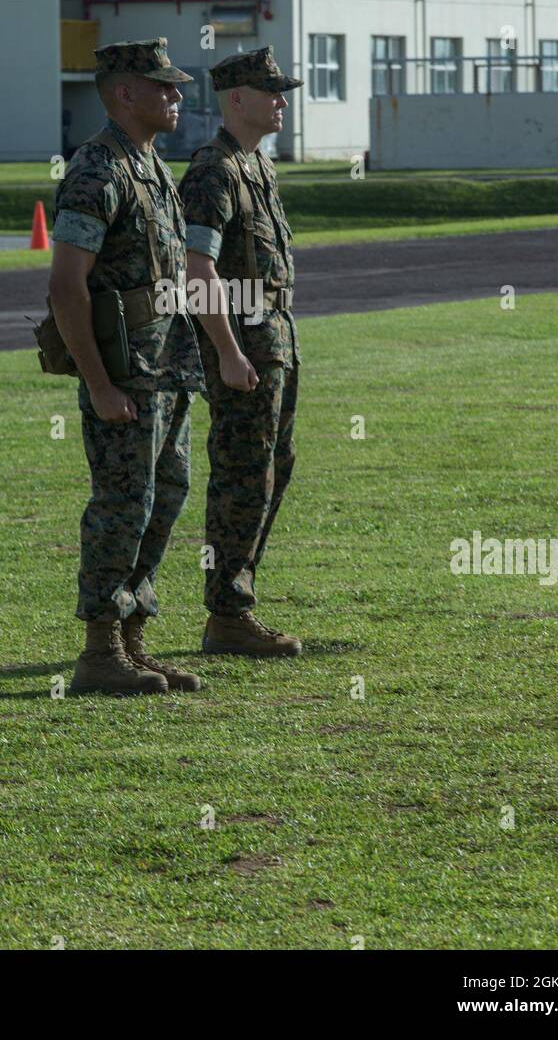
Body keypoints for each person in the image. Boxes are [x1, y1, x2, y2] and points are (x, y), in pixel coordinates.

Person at [49, 38, 204, 695]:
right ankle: (98, 651)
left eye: (175, 85)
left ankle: (134, 640)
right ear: (123, 93)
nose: (175, 95)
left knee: (165, 495)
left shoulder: (152, 165)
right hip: (126, 372)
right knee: (121, 503)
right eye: (161, 85)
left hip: (166, 363)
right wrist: (100, 384)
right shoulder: (97, 168)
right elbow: (65, 287)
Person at [179, 46, 303, 658]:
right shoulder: (214, 170)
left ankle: (236, 600)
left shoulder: (256, 166)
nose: (282, 100)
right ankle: (227, 613)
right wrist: (227, 350)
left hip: (273, 341)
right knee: (241, 474)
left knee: (272, 468)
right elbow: (196, 266)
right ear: (236, 99)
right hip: (243, 351)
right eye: (271, 90)